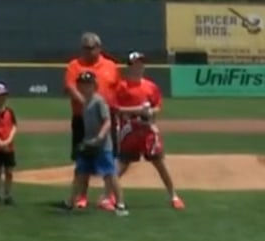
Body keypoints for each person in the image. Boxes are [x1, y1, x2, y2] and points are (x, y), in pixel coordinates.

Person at [113, 51, 184, 210]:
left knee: (159, 163)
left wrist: (151, 112)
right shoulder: (122, 87)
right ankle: (108, 196)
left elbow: (158, 106)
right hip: (129, 129)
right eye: (136, 63)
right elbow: (116, 109)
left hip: (148, 130)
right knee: (122, 164)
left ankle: (173, 195)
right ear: (130, 66)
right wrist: (137, 110)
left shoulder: (150, 86)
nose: (140, 67)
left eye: (141, 64)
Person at [63, 32, 120, 208]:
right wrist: (88, 105)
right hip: (82, 119)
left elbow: (116, 88)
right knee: (83, 158)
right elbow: (70, 87)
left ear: (99, 48)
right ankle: (82, 196)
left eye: (91, 48)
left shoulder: (110, 65)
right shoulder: (74, 65)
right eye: (84, 48)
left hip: (105, 117)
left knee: (109, 158)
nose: (87, 51)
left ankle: (108, 197)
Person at [65, 71, 128, 217]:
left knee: (110, 174)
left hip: (102, 145)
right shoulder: (85, 102)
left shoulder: (99, 101)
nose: (85, 87)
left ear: (95, 86)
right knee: (80, 172)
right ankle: (71, 202)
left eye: (88, 85)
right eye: (82, 85)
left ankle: (120, 204)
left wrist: (100, 137)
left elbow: (107, 121)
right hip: (89, 143)